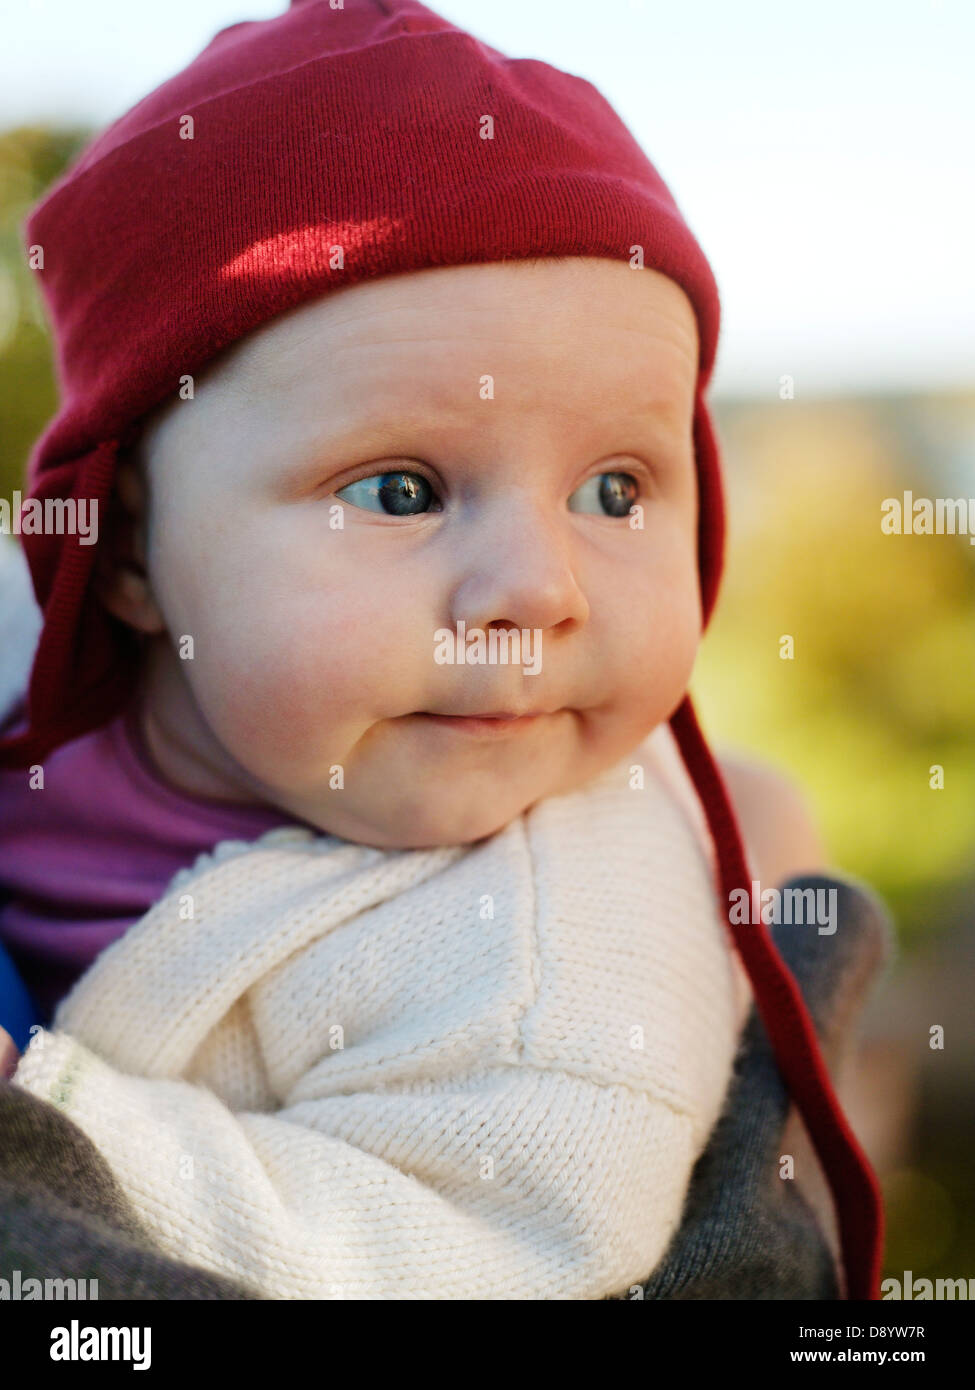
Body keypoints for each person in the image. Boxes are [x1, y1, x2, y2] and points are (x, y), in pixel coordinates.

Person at [0, 0, 885, 1298]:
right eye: (403, 490)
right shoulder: (39, 645)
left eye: (618, 490)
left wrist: (51, 1100)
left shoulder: (561, 972)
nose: (539, 587)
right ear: (126, 554)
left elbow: (470, 1255)